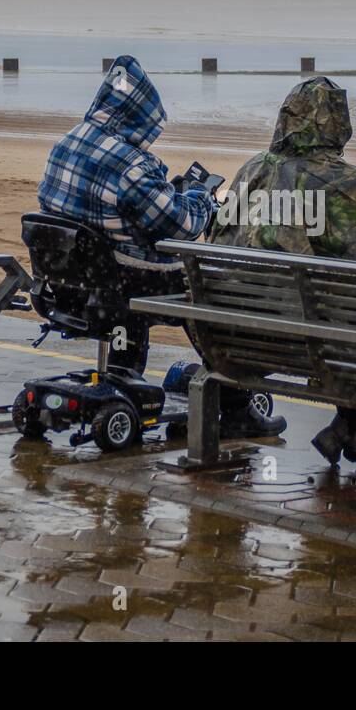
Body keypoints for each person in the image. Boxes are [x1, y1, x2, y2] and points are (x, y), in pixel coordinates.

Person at [38, 55, 287, 438]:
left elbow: (111, 212)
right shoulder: (129, 163)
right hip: (122, 283)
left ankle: (125, 378)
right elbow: (182, 226)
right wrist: (200, 199)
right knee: (200, 294)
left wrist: (163, 194)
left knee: (126, 289)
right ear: (138, 117)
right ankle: (237, 405)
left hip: (74, 286)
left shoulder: (66, 142)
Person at [209, 76, 356, 471]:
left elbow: (226, 232)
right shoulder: (345, 182)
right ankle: (348, 425)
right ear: (337, 123)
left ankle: (349, 432)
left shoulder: (251, 169)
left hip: (235, 330)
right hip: (306, 340)